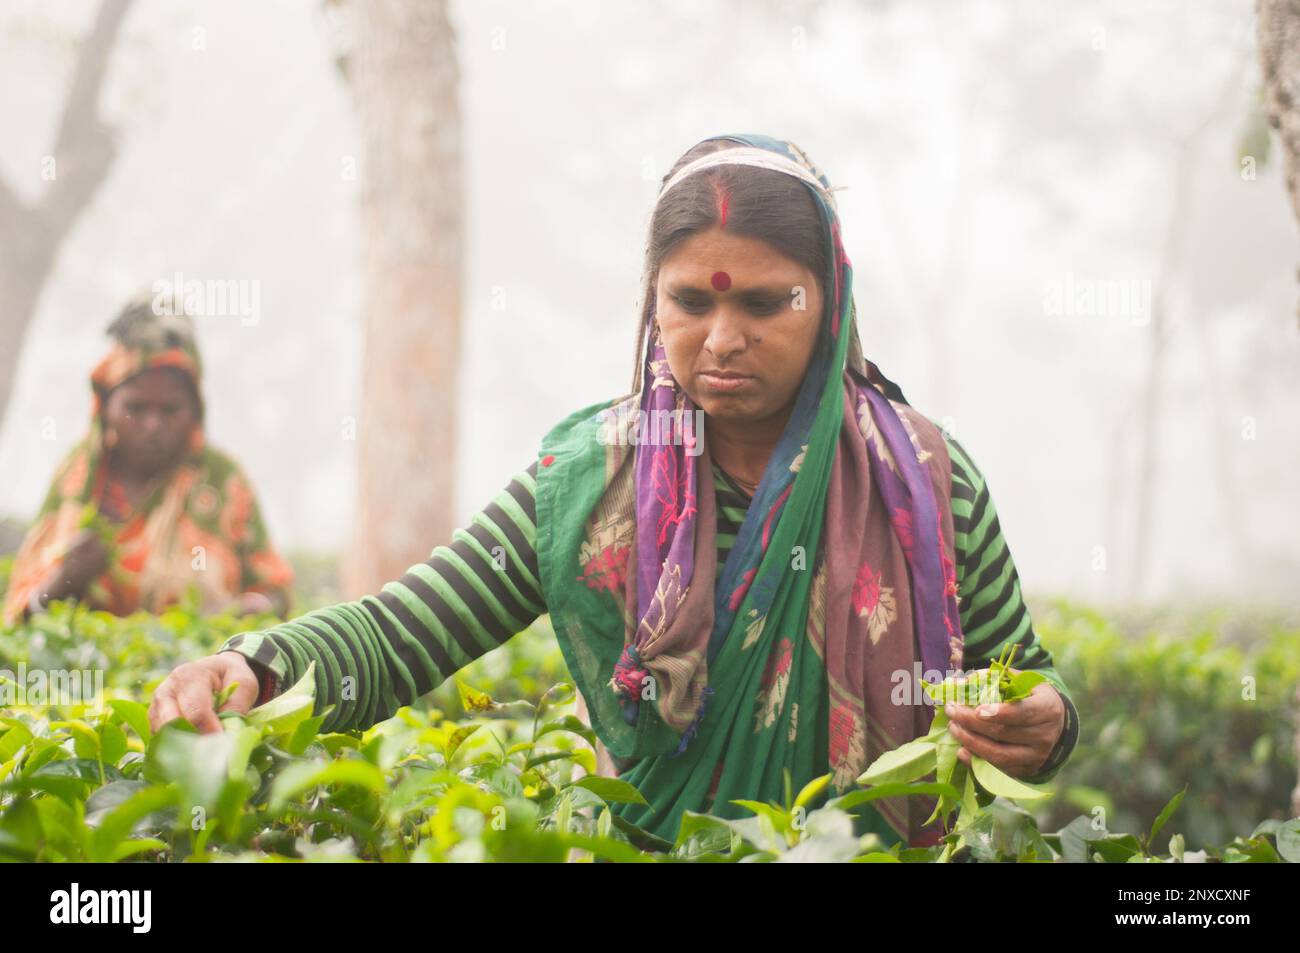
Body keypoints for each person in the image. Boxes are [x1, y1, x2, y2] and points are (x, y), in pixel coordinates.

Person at [149, 134, 1079, 849]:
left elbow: (1027, 679)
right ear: (653, 300)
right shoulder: (596, 480)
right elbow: (403, 634)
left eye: (764, 303)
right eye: (691, 301)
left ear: (828, 302)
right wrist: (252, 667)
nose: (722, 338)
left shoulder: (927, 480)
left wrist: (1044, 721)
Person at [2, 297, 294, 625]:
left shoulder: (221, 480)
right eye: (136, 408)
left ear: (194, 412)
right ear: (106, 408)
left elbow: (275, 592)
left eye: (170, 410)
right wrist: (65, 581)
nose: (153, 425)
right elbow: (21, 613)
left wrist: (246, 609)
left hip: (204, 656)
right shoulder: (79, 477)